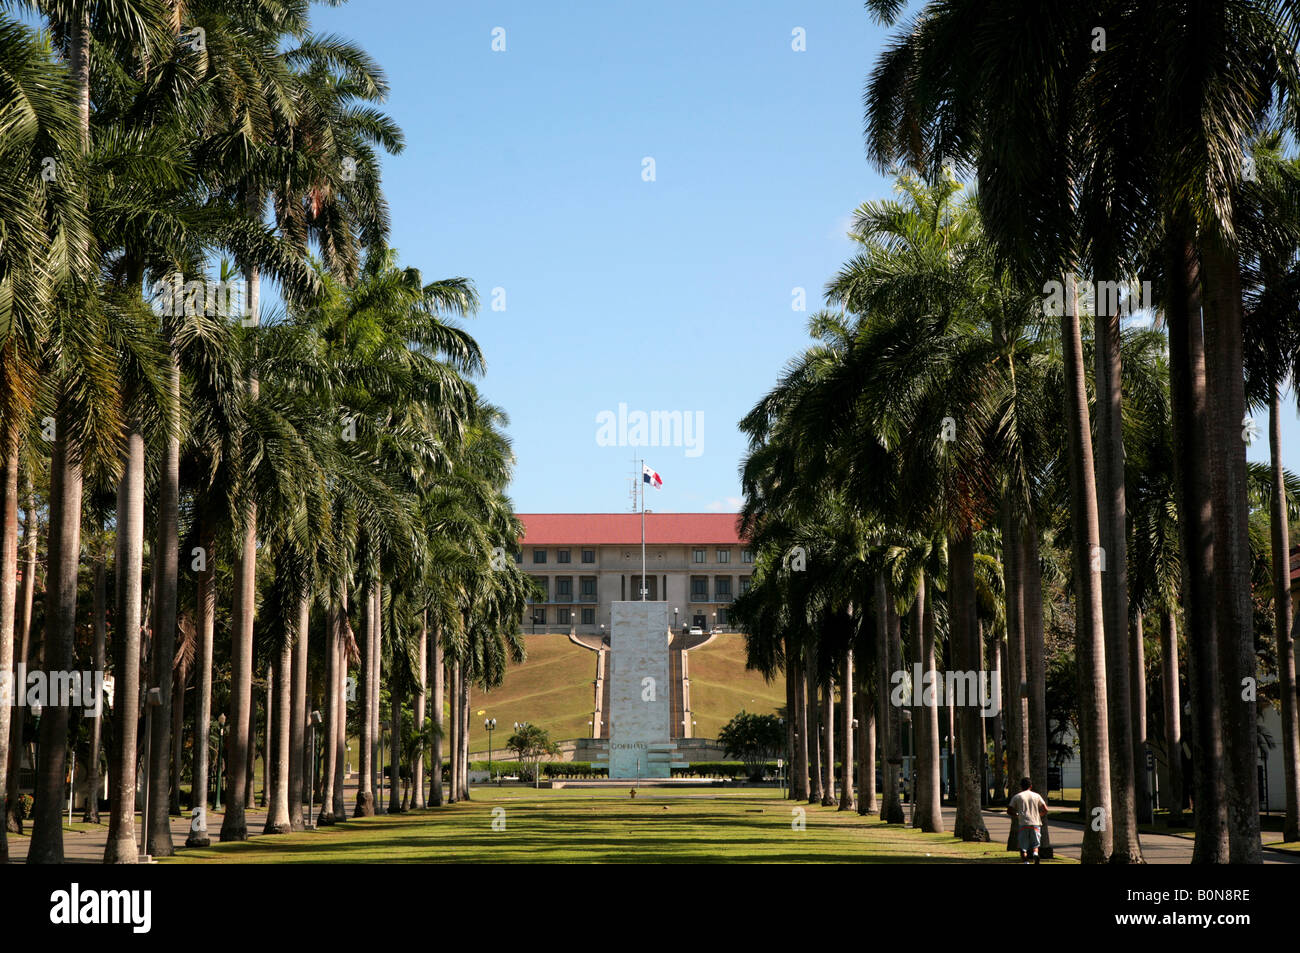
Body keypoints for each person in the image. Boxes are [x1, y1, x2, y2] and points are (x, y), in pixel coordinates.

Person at [1007, 776, 1048, 864]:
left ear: (1021, 786)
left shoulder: (1017, 796)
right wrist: (1038, 815)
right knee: (1035, 844)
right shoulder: (1037, 796)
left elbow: (1009, 810)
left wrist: (1017, 815)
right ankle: (1035, 854)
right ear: (1031, 786)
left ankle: (1026, 862)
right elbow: (1045, 809)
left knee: (1023, 847)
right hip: (1035, 823)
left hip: (1023, 823)